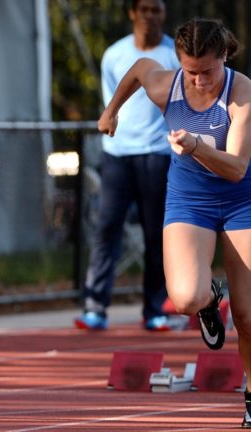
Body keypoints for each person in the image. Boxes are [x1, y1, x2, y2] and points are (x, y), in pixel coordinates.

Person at [98, 18, 251, 427]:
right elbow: (138, 69)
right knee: (184, 298)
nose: (200, 81)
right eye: (191, 71)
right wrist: (112, 111)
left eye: (208, 71)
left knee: (250, 314)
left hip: (241, 200)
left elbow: (236, 168)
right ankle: (208, 298)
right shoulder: (168, 85)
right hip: (190, 200)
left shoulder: (241, 92)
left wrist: (197, 145)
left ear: (225, 57)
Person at [74, 0, 179, 332]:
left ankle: (154, 308)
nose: (150, 15)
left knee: (156, 234)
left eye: (156, 9)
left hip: (158, 153)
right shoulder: (114, 53)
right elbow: (111, 98)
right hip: (117, 153)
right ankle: (95, 306)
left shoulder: (174, 55)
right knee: (107, 228)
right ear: (133, 13)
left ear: (164, 14)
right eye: (144, 9)